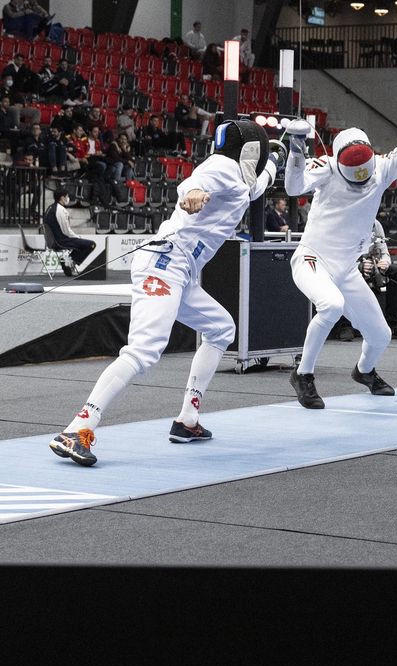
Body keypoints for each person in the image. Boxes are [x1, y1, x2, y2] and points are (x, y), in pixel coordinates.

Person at [49, 120, 285, 466]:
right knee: (143, 352)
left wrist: (278, 159)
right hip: (164, 264)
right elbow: (192, 186)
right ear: (250, 150)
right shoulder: (222, 166)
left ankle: (188, 420)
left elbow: (253, 189)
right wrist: (191, 196)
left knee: (221, 328)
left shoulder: (238, 180)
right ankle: (78, 428)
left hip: (181, 272)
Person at [284, 71, 397, 410]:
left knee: (381, 335)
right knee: (331, 306)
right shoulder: (326, 167)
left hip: (346, 269)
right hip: (312, 260)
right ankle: (303, 375)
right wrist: (295, 152)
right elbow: (294, 188)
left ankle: (364, 371)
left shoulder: (381, 167)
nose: (361, 181)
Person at [363, 219, 397, 340]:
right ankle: (345, 325)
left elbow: (384, 251)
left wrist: (384, 262)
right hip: (351, 265)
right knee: (346, 275)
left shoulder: (375, 224)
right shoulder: (345, 220)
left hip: (373, 263)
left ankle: (392, 324)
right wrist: (359, 265)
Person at [42, 188, 95, 273]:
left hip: (52, 241)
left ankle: (69, 261)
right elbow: (66, 231)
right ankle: (70, 262)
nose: (68, 198)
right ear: (62, 198)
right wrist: (77, 237)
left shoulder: (50, 207)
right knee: (91, 244)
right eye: (67, 196)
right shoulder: (60, 210)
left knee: (80, 244)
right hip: (60, 241)